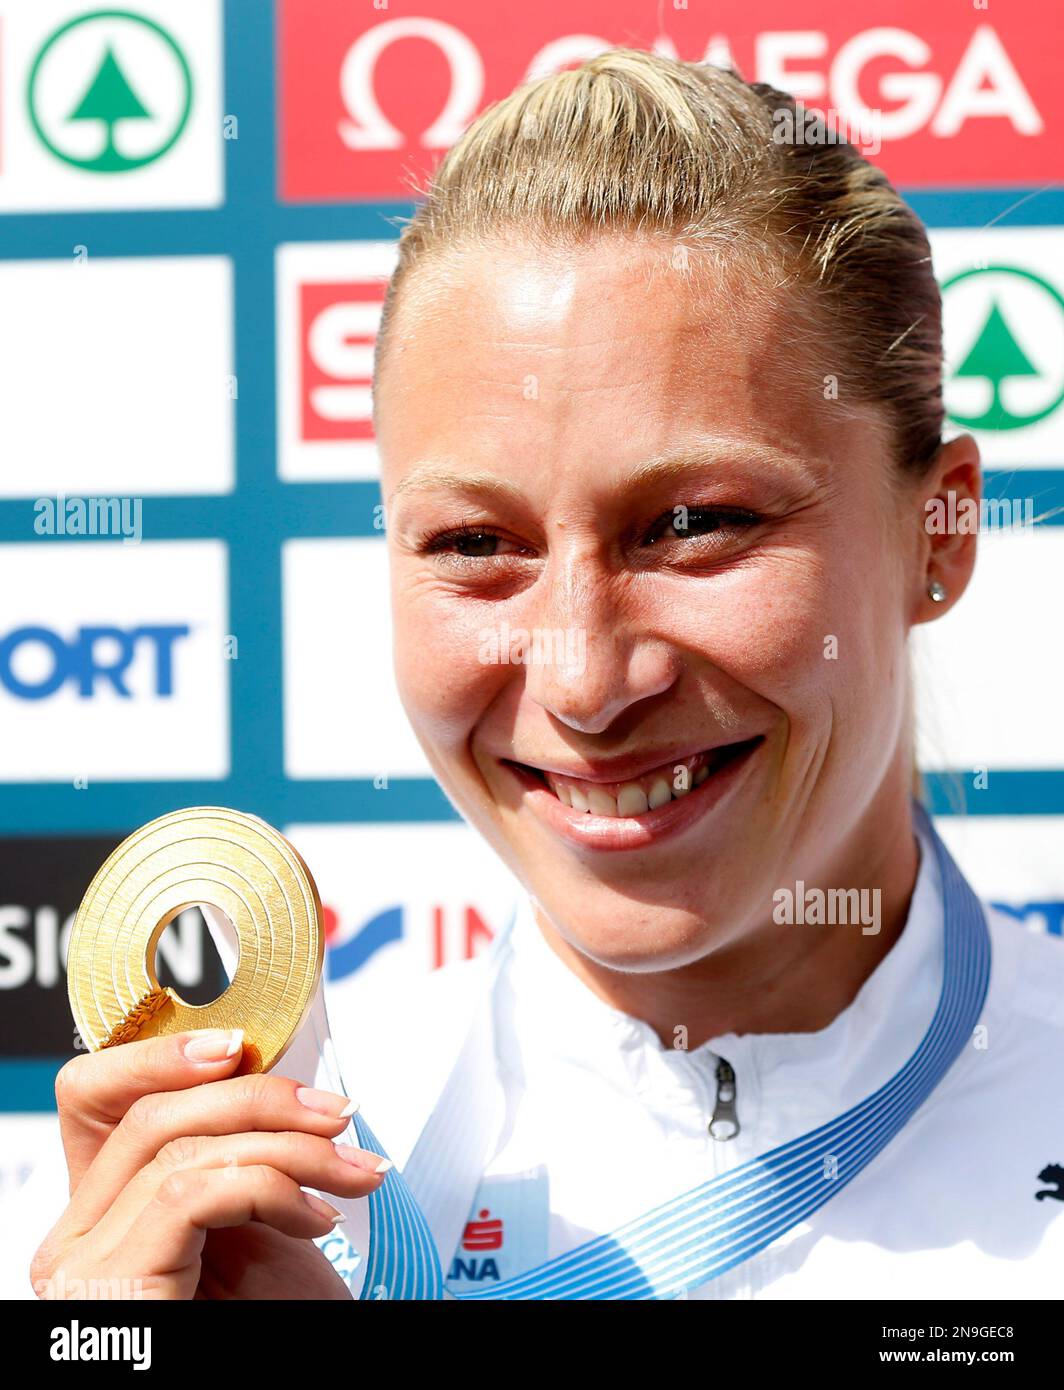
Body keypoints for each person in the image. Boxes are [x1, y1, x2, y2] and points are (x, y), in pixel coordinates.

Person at [6, 47, 1063, 1301]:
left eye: (694, 523)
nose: (582, 682)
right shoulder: (160, 1205)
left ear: (935, 538)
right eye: (475, 544)